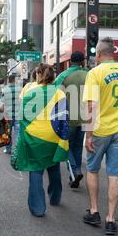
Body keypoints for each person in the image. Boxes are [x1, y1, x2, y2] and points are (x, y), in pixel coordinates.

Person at [82, 37, 118, 235]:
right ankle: (111, 219)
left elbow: (90, 105)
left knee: (92, 169)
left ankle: (94, 211)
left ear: (98, 54)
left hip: (99, 130)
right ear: (113, 53)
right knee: (114, 174)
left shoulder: (94, 73)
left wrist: (88, 135)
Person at [14, 63, 69, 217]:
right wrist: (63, 139)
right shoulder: (60, 93)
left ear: (37, 74)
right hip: (53, 136)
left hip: (34, 137)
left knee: (36, 170)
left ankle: (38, 208)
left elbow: (22, 117)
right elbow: (63, 118)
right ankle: (55, 197)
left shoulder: (30, 92)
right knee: (53, 166)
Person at [54, 51, 88, 188]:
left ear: (70, 61)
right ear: (82, 62)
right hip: (85, 117)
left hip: (68, 118)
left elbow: (55, 95)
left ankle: (75, 171)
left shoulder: (63, 75)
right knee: (78, 147)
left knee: (67, 146)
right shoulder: (89, 74)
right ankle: (75, 172)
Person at [1, 75, 20, 155]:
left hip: (8, 115)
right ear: (15, 80)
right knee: (18, 133)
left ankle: (8, 149)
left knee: (8, 133)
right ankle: (18, 150)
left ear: (9, 80)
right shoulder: (20, 89)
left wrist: (1, 110)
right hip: (18, 114)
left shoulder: (4, 90)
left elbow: (2, 104)